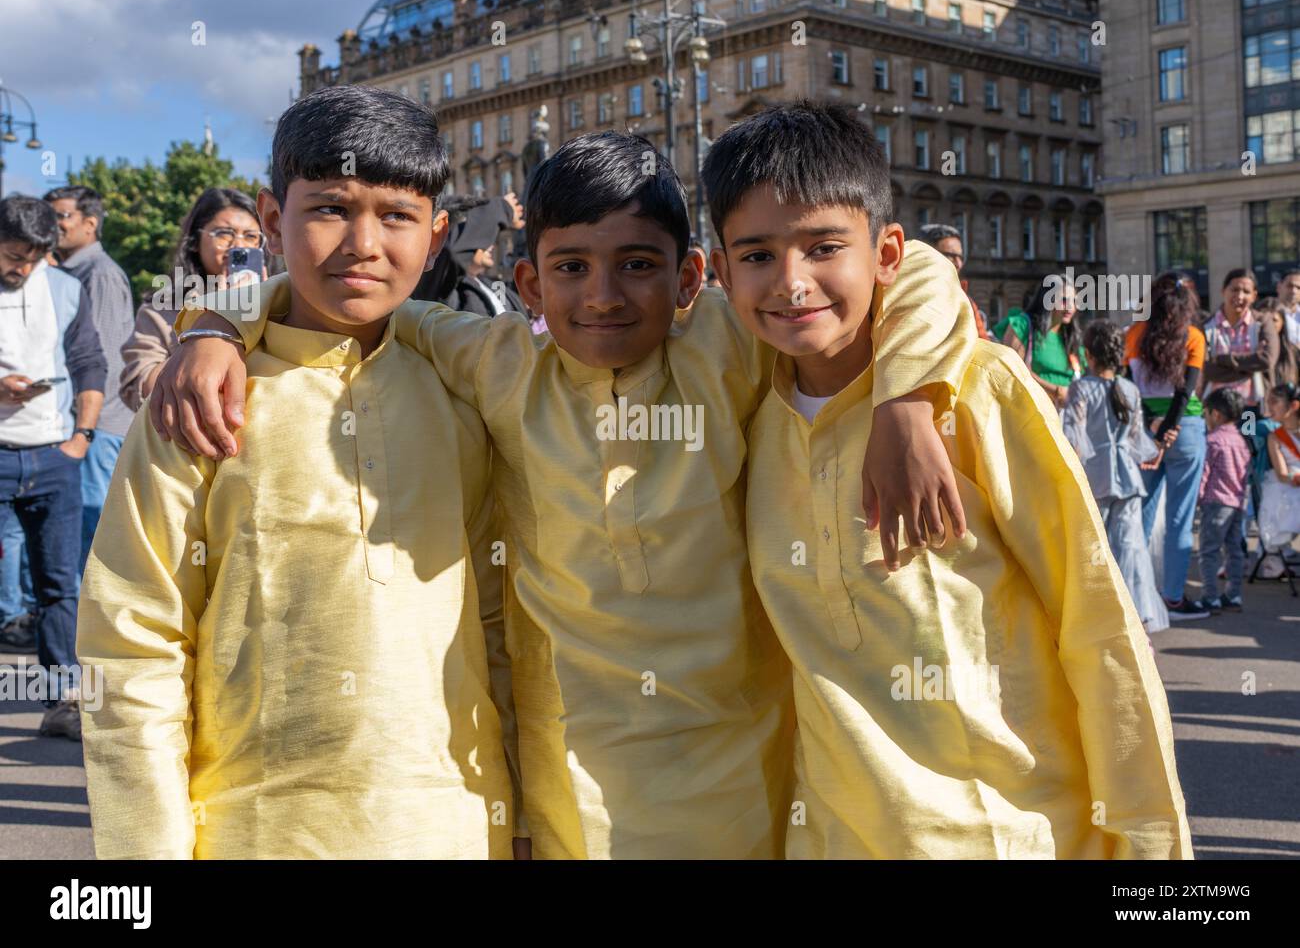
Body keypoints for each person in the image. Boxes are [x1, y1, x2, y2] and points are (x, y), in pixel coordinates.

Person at [154, 127, 975, 859]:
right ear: (530, 285)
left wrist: (908, 399)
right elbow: (382, 311)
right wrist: (215, 325)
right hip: (561, 789)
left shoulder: (729, 345)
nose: (604, 295)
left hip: (732, 780)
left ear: (693, 277)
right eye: (571, 268)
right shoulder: (500, 367)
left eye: (638, 266)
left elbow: (918, 272)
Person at [703, 100, 1189, 859]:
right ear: (722, 268)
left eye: (825, 247)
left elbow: (1096, 624)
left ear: (886, 253)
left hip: (1014, 833)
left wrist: (1151, 849)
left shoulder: (982, 390)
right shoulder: (742, 408)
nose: (792, 283)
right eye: (758, 255)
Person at [76, 85, 519, 858]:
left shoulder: (466, 391)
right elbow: (134, 639)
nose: (363, 243)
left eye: (397, 216)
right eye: (330, 209)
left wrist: (520, 821)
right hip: (255, 831)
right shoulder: (202, 401)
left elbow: (501, 625)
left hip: (450, 825)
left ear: (437, 233)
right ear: (272, 220)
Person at [0, 196, 107, 740]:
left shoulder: (66, 288)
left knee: (60, 584)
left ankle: (63, 700)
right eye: (13, 256)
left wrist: (81, 438)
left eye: (34, 257)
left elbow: (89, 359)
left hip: (53, 455)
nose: (22, 268)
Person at [42, 186, 136, 568]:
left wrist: (85, 428)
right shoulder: (64, 273)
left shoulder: (100, 274)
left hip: (98, 427)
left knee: (90, 531)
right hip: (76, 425)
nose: (53, 225)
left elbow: (103, 360)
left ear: (91, 223)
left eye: (62, 216)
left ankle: (88, 625)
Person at [118, 188, 266, 413]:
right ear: (195, 242)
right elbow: (140, 389)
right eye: (224, 234)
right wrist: (215, 316)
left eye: (250, 236)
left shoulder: (281, 301)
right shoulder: (163, 309)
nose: (238, 245)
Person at [1063, 320, 1168, 632]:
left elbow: (1074, 437)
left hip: (1095, 477)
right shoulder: (1130, 389)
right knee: (1129, 548)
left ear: (1087, 354)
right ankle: (1133, 616)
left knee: (1093, 547)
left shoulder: (1081, 388)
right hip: (1127, 476)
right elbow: (1137, 439)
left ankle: (1097, 616)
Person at [1126, 273, 1209, 619]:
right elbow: (1185, 392)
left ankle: (1136, 598)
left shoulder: (1134, 335)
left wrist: (1152, 429)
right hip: (1185, 431)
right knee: (1180, 518)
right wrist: (1169, 432)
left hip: (1145, 430)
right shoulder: (1194, 337)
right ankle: (1173, 598)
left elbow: (1129, 390)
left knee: (1140, 518)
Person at [1197, 388, 1252, 613]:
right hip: (1237, 502)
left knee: (1209, 551)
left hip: (1215, 502)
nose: (1206, 418)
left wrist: (1197, 499)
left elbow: (1204, 473)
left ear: (1216, 414)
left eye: (1206, 413)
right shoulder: (1242, 442)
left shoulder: (1212, 441)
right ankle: (1234, 595)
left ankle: (1211, 597)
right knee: (1234, 550)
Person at [999, 279, 1085, 410]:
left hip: (1067, 416)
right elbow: (1014, 371)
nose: (1070, 307)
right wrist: (1056, 391)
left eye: (1074, 301)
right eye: (1063, 300)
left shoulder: (1072, 336)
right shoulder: (1022, 325)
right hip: (1032, 412)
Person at [1201, 269, 1277, 407]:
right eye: (1234, 290)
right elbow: (1205, 369)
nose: (1240, 296)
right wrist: (1250, 365)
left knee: (1250, 429)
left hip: (1253, 405)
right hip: (1216, 409)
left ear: (1254, 296)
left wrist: (1222, 360)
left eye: (1246, 292)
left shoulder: (1262, 322)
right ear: (1223, 291)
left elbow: (1267, 360)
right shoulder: (1206, 326)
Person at [918, 223, 989, 339]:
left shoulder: (967, 301)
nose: (959, 264)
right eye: (951, 256)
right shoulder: (908, 293)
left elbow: (984, 343)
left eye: (960, 257)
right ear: (928, 254)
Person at [1258, 382, 1300, 558]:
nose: (1269, 406)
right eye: (1267, 401)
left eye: (1274, 401)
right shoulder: (1273, 435)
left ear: (1294, 405)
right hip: (1287, 491)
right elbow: (1283, 475)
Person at [1255, 297, 1299, 391]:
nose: (1269, 325)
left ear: (1283, 323)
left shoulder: (1294, 353)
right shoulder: (1246, 349)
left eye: (1274, 320)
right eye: (1264, 320)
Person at [1276, 267, 1300, 345]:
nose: (1294, 291)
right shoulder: (1269, 314)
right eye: (1290, 286)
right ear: (1279, 287)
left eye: (1298, 288)